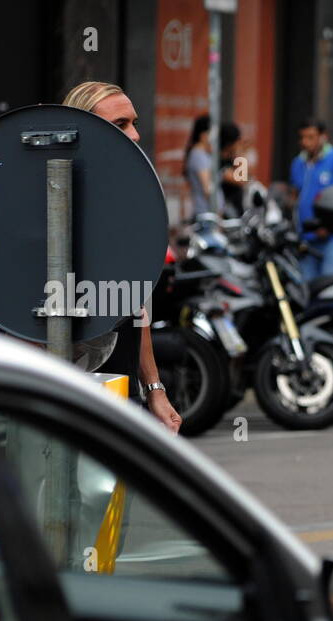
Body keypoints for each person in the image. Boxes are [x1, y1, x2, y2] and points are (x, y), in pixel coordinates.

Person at [62, 80, 182, 433]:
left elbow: (137, 303)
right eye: (120, 125)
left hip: (119, 378)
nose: (135, 136)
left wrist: (154, 389)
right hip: (67, 381)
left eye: (134, 123)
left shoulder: (131, 199)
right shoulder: (53, 200)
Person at [288, 118, 333, 282]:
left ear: (323, 137)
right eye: (302, 138)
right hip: (307, 238)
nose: (306, 142)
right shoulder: (298, 163)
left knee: (330, 282)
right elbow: (295, 194)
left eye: (311, 137)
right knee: (307, 285)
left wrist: (331, 224)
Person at [184, 115, 217, 218]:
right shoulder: (198, 155)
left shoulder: (204, 154)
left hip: (208, 213)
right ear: (203, 135)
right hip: (205, 214)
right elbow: (207, 188)